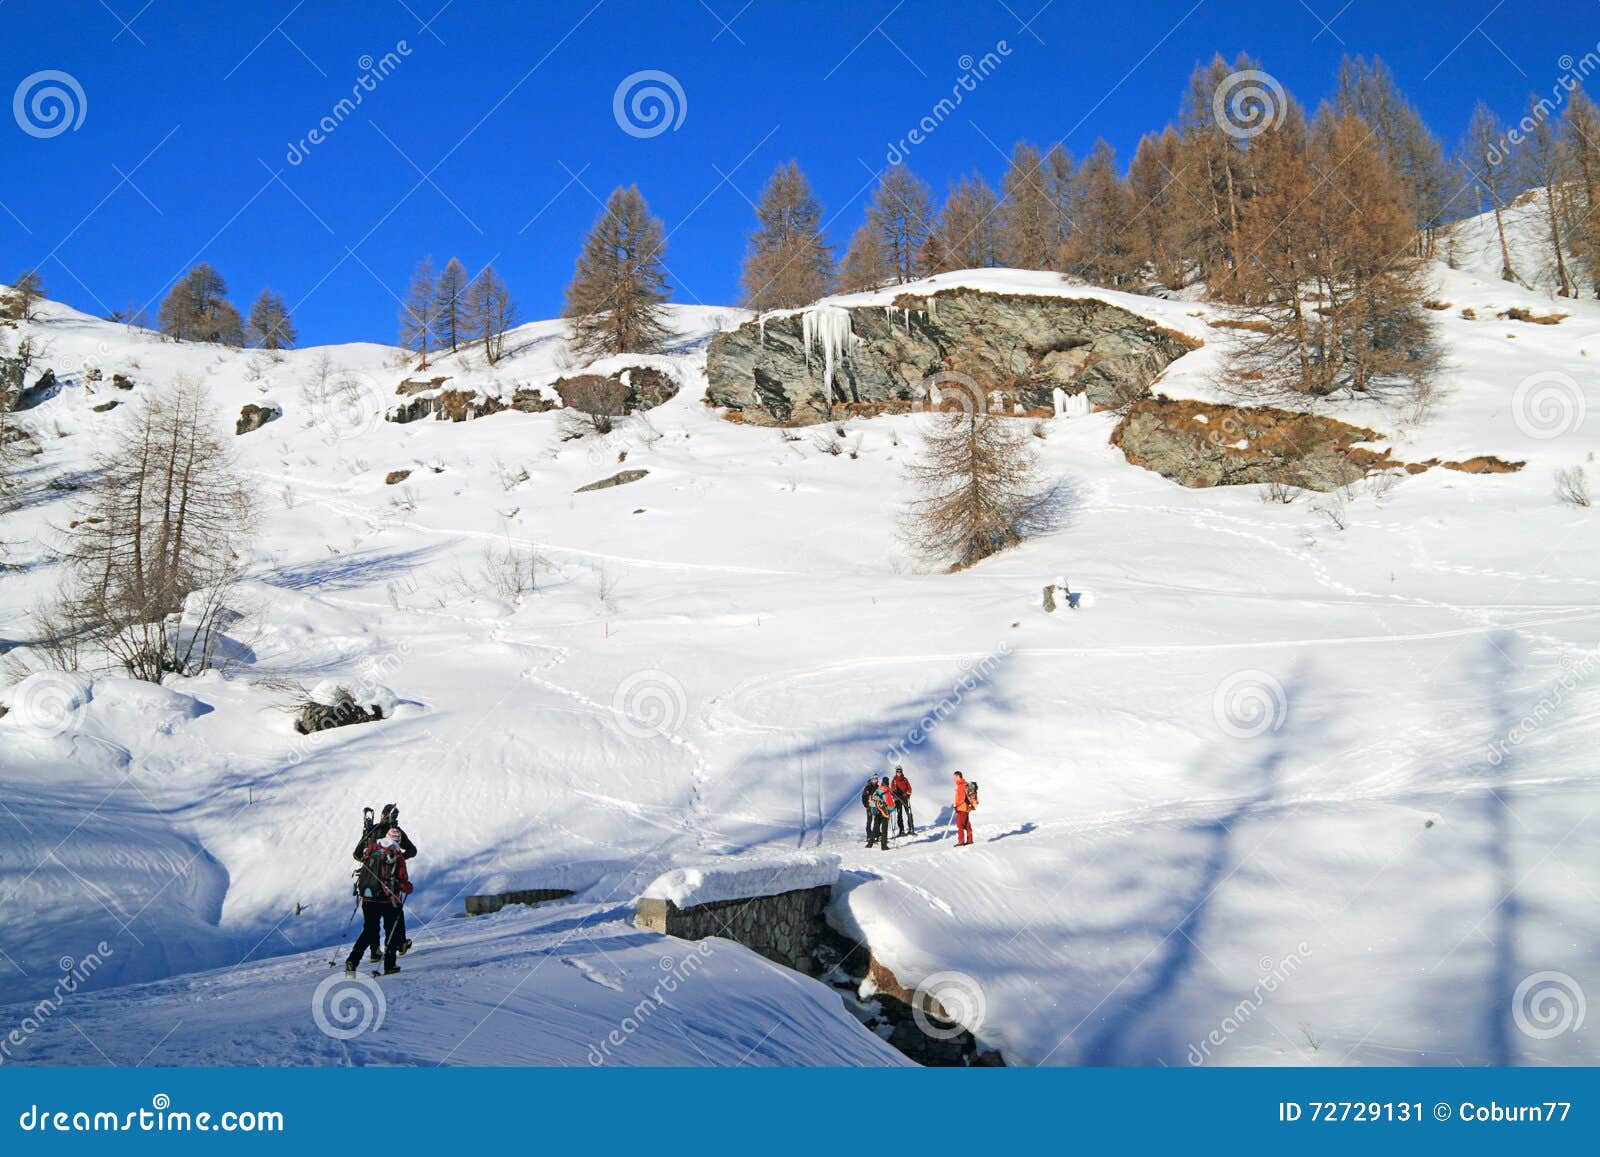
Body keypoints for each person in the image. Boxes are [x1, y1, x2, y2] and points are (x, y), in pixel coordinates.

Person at [345, 827, 412, 974]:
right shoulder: (397, 856)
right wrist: (408, 887)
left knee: (369, 931)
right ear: (398, 841)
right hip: (389, 901)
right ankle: (389, 965)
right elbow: (402, 881)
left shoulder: (372, 850)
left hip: (368, 899)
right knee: (391, 931)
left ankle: (352, 960)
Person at [353, 803, 416, 959]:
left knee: (371, 921)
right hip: (390, 883)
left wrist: (369, 863)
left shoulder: (371, 830)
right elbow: (412, 850)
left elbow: (356, 854)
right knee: (395, 914)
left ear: (382, 814)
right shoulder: (395, 832)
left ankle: (374, 951)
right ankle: (398, 944)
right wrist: (398, 858)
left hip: (369, 882)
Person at [870, 778, 894, 851]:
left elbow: (872, 801)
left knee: (875, 827)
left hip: (877, 811)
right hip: (884, 812)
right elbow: (890, 805)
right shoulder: (886, 791)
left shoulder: (878, 790)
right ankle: (883, 846)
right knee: (884, 829)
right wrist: (892, 809)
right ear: (887, 783)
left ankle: (870, 843)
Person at [952, 771, 976, 846]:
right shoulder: (964, 784)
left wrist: (956, 805)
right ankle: (970, 840)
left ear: (958, 776)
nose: (954, 779)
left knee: (960, 825)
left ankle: (961, 841)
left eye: (955, 777)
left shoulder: (961, 785)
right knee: (967, 824)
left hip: (962, 808)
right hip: (965, 808)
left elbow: (962, 798)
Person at [891, 766, 915, 836]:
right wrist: (895, 795)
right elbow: (892, 790)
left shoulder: (905, 779)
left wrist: (907, 795)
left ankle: (911, 829)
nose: (899, 772)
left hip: (904, 798)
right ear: (896, 772)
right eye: (897, 771)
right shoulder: (894, 780)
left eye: (900, 771)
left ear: (902, 771)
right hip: (898, 799)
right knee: (899, 814)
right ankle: (901, 830)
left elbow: (909, 788)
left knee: (909, 813)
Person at [860, 775, 881, 846]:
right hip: (869, 806)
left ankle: (878, 834)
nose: (876, 780)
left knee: (877, 820)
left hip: (876, 806)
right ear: (871, 780)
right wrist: (866, 805)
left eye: (877, 779)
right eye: (874, 779)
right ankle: (869, 835)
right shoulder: (868, 787)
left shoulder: (878, 787)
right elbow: (863, 797)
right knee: (869, 820)